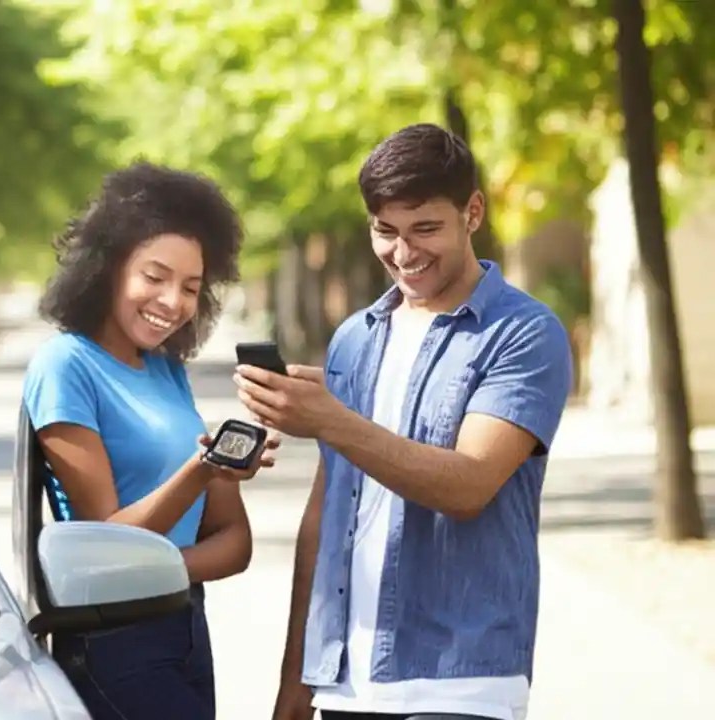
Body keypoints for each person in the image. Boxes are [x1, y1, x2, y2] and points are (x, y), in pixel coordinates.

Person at [235, 123, 574, 720]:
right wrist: (296, 684)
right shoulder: (354, 341)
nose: (404, 252)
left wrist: (332, 422)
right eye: (385, 231)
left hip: (460, 681)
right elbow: (325, 515)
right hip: (344, 682)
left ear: (472, 213)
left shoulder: (522, 334)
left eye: (425, 229)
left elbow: (468, 486)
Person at [22, 161, 280, 720]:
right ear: (109, 267)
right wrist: (203, 469)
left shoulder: (166, 371)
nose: (172, 301)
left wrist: (216, 474)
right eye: (154, 277)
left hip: (184, 626)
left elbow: (234, 543)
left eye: (190, 287)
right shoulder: (65, 365)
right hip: (112, 639)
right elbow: (109, 542)